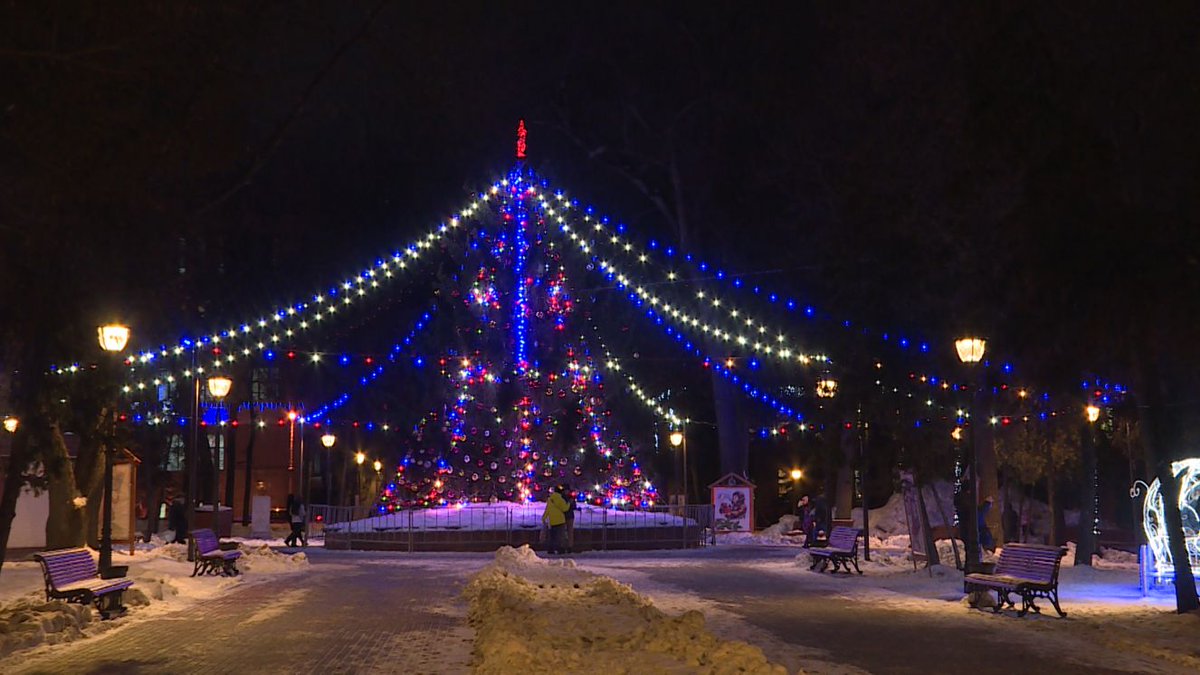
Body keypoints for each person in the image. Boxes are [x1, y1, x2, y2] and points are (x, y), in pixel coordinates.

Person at [541, 485, 570, 555]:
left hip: (552, 520)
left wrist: (544, 517)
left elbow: (547, 509)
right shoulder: (560, 499)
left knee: (552, 536)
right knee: (560, 536)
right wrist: (569, 503)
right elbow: (565, 508)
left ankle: (551, 549)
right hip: (560, 520)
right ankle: (560, 549)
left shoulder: (550, 499)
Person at [561, 484, 576, 554]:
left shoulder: (571, 497)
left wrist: (571, 503)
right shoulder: (561, 497)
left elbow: (574, 506)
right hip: (563, 516)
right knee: (563, 532)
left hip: (569, 516)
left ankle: (570, 546)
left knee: (570, 532)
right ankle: (563, 546)